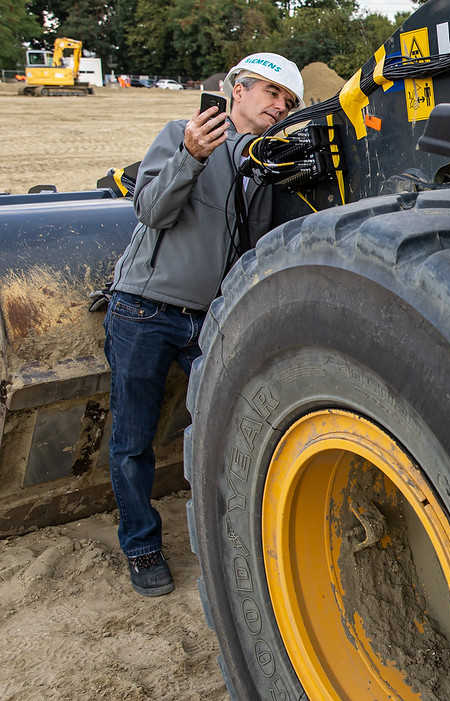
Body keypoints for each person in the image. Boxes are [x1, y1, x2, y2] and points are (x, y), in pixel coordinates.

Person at [104, 52, 303, 597]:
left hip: (209, 320)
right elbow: (151, 210)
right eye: (271, 93)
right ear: (237, 91)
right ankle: (141, 546)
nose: (280, 106)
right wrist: (191, 156)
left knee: (234, 428)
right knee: (132, 440)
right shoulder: (182, 135)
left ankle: (234, 536)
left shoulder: (263, 167)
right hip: (144, 309)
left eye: (289, 102)